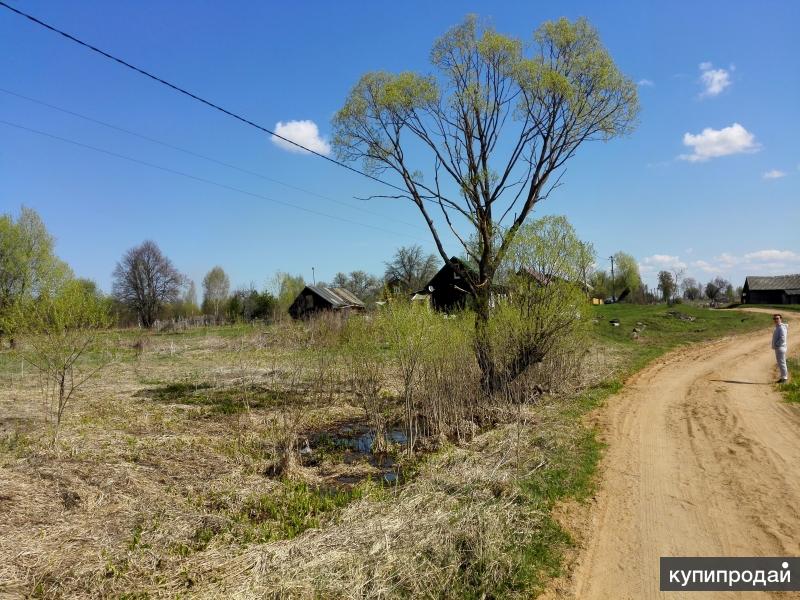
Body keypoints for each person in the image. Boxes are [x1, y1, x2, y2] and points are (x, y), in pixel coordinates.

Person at [772, 313, 789, 383]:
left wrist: (776, 344)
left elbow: (782, 338)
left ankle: (784, 378)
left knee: (782, 363)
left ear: (781, 319)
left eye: (777, 318)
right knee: (780, 363)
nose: (776, 320)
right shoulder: (778, 327)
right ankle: (783, 377)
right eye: (774, 318)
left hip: (780, 347)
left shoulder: (781, 327)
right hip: (779, 347)